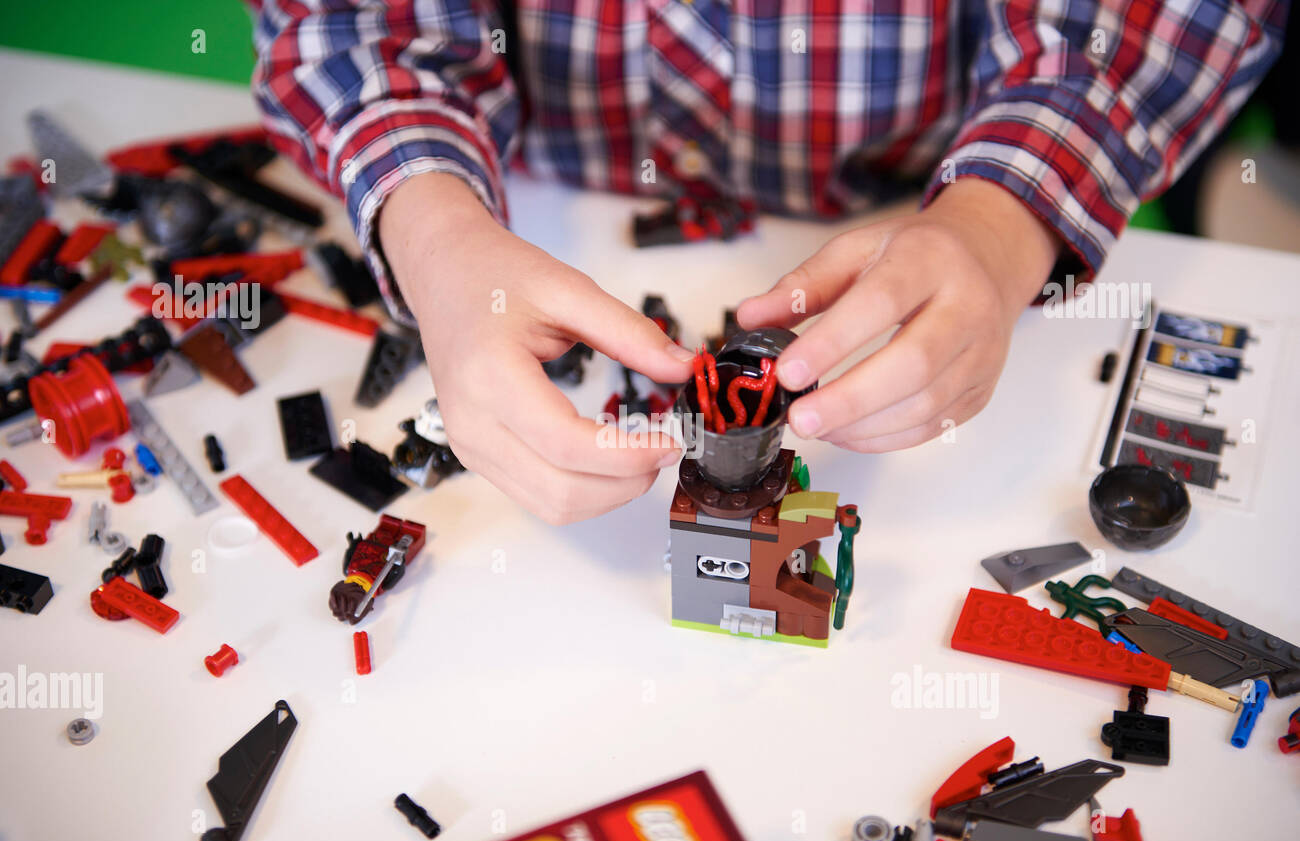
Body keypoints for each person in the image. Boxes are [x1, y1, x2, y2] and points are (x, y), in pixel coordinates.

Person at [248, 0, 1286, 523]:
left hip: (929, 196)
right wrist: (436, 238)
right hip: (533, 201)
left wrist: (1002, 222)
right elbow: (349, 27)